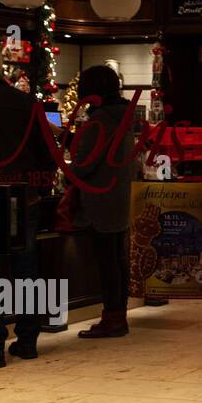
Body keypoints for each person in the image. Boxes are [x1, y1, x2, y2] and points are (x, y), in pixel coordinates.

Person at [0, 46, 54, 367]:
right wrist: (40, 188)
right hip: (23, 194)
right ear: (2, 69)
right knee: (26, 269)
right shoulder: (28, 104)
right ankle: (28, 341)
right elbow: (47, 153)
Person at [69, 63, 137, 338]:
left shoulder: (100, 120)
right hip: (118, 195)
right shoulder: (122, 115)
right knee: (117, 259)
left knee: (107, 261)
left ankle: (112, 318)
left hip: (99, 199)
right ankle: (117, 314)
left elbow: (84, 163)